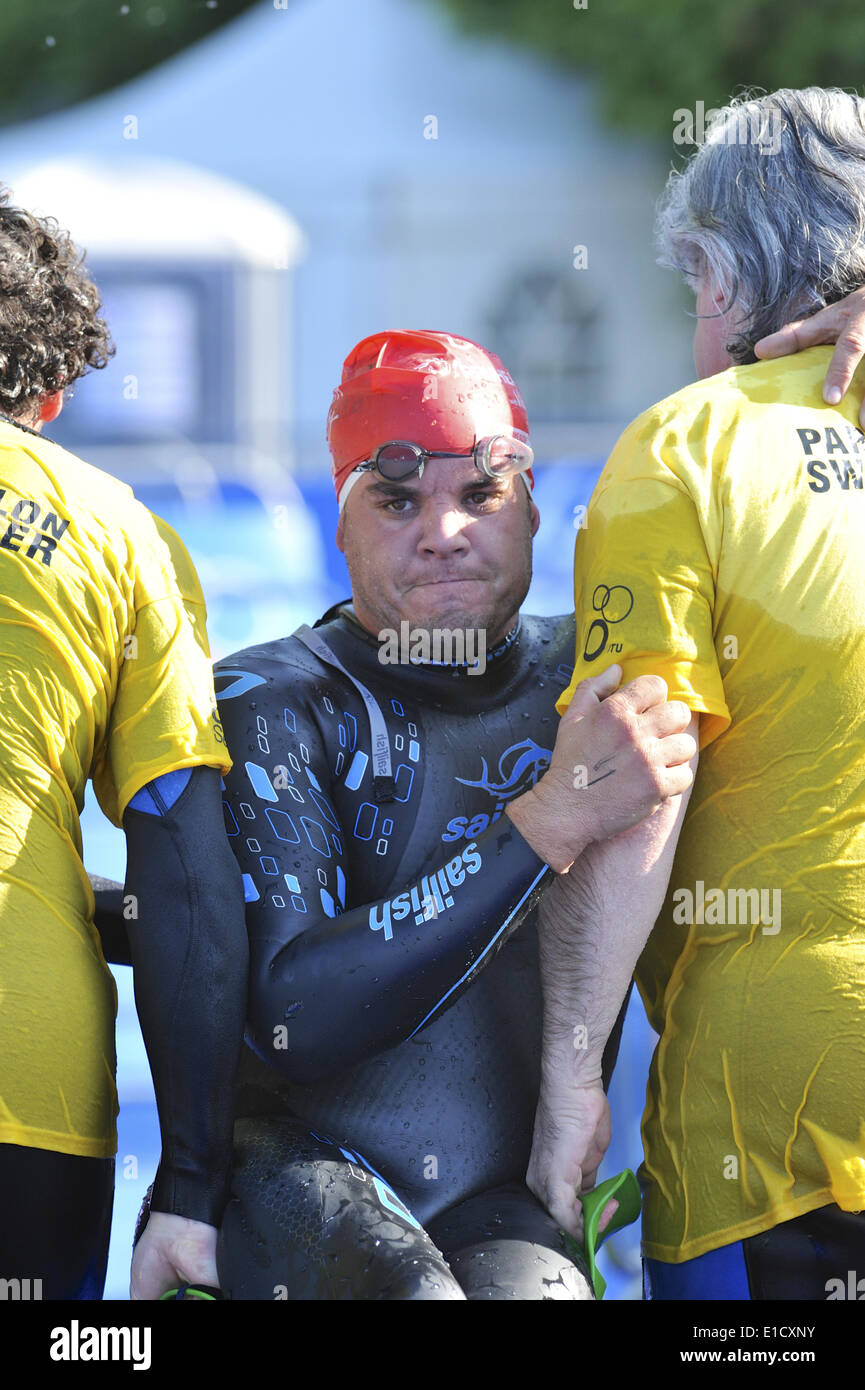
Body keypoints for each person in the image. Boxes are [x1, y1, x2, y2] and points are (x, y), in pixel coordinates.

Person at [107, 328, 694, 1299]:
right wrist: (544, 823)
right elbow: (296, 1007)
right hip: (291, 1175)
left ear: (536, 511)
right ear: (336, 526)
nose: (444, 530)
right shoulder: (275, 702)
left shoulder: (588, 682)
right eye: (395, 500)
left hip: (497, 1194)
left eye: (480, 493)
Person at [526, 86, 865, 1302]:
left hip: (780, 1115)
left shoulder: (687, 447)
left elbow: (633, 788)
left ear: (722, 285)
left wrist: (570, 1078)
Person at [0, 185, 248, 1300]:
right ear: (50, 396)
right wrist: (191, 1181)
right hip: (27, 1069)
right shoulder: (117, 531)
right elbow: (187, 880)